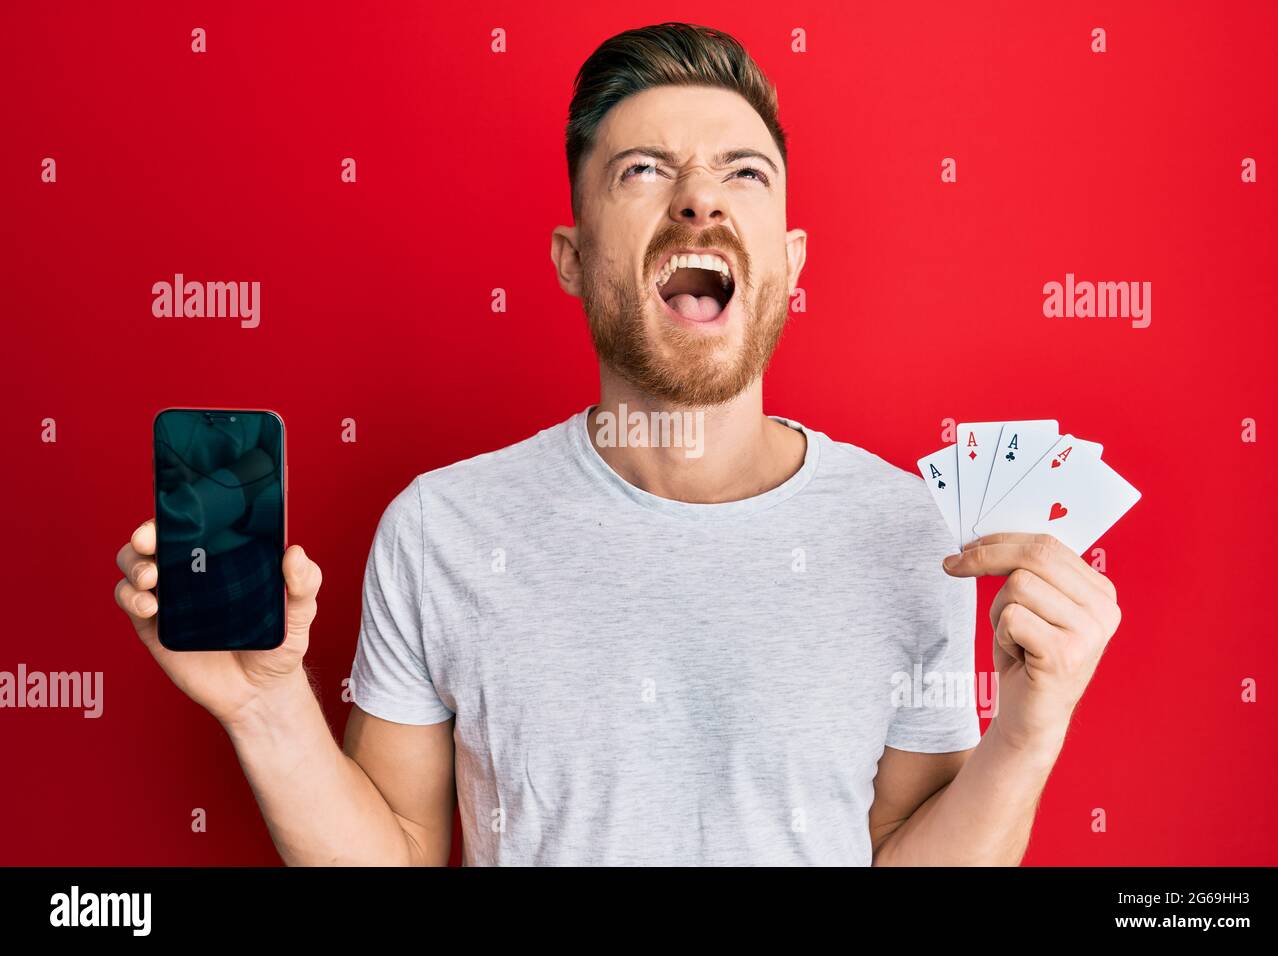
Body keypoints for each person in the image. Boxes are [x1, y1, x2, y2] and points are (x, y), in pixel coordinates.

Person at [113, 22, 1123, 866]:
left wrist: (1029, 735)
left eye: (743, 172)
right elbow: (403, 850)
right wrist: (266, 708)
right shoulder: (442, 526)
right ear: (573, 255)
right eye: (643, 170)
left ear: (788, 256)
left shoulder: (914, 530)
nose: (699, 197)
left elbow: (908, 848)